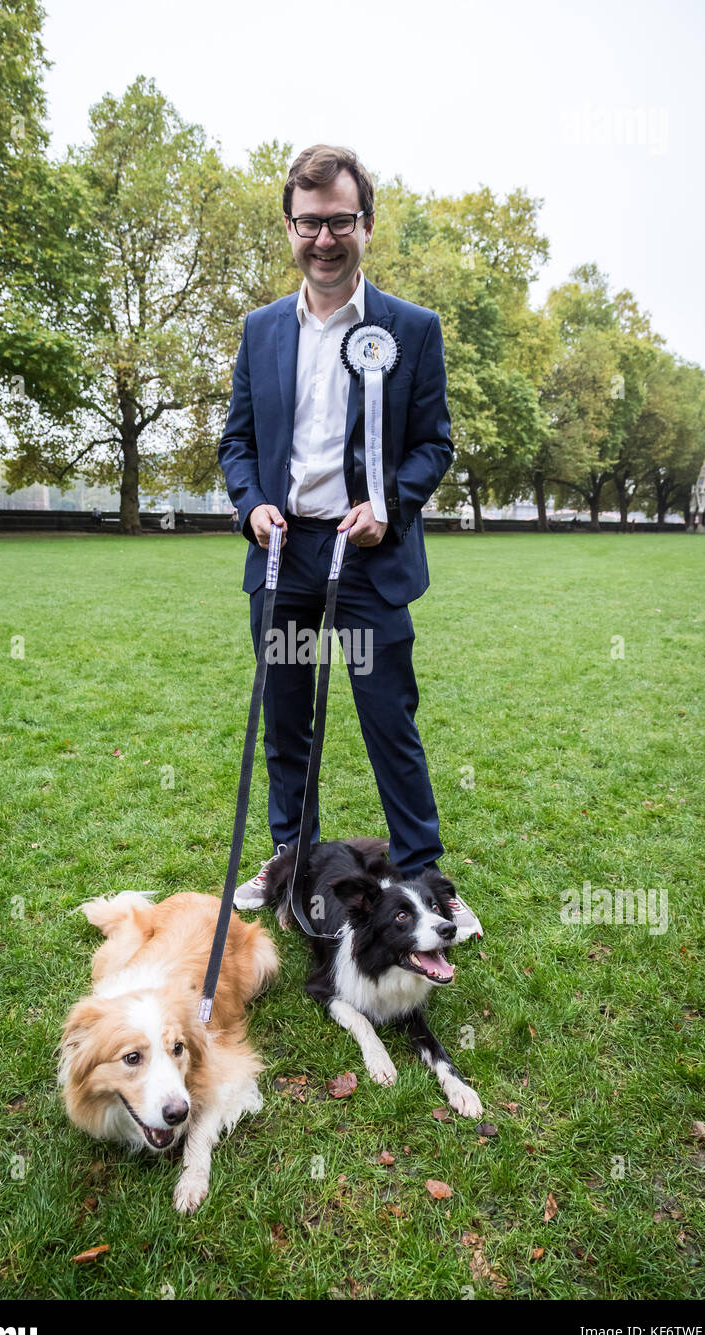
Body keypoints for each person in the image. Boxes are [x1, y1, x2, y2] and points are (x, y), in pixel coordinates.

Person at [219, 144, 469, 923]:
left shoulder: (412, 329)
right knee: (286, 723)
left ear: (366, 223)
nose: (323, 239)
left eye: (339, 222)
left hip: (370, 557)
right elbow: (235, 442)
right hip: (285, 554)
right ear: (288, 227)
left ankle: (427, 884)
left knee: (389, 723)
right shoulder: (260, 330)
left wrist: (391, 503)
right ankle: (295, 866)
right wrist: (252, 502)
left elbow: (436, 441)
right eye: (308, 223)